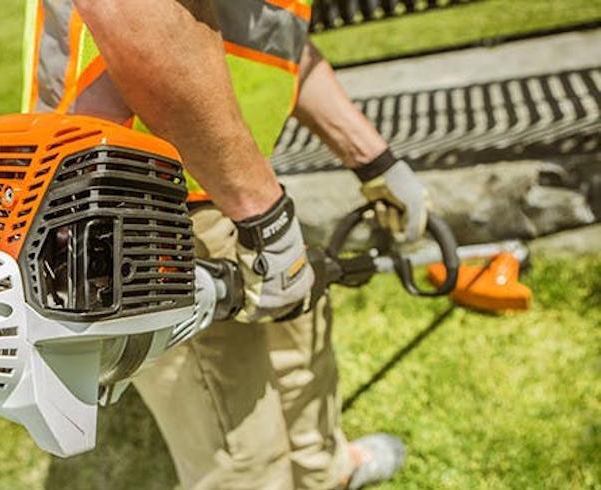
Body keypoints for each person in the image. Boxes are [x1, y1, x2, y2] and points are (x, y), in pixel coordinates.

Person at [23, 1, 429, 488]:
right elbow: (136, 13)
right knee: (239, 449)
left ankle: (325, 474)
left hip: (237, 181)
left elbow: (270, 39)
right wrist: (264, 214)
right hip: (143, 200)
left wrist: (373, 160)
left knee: (300, 343)